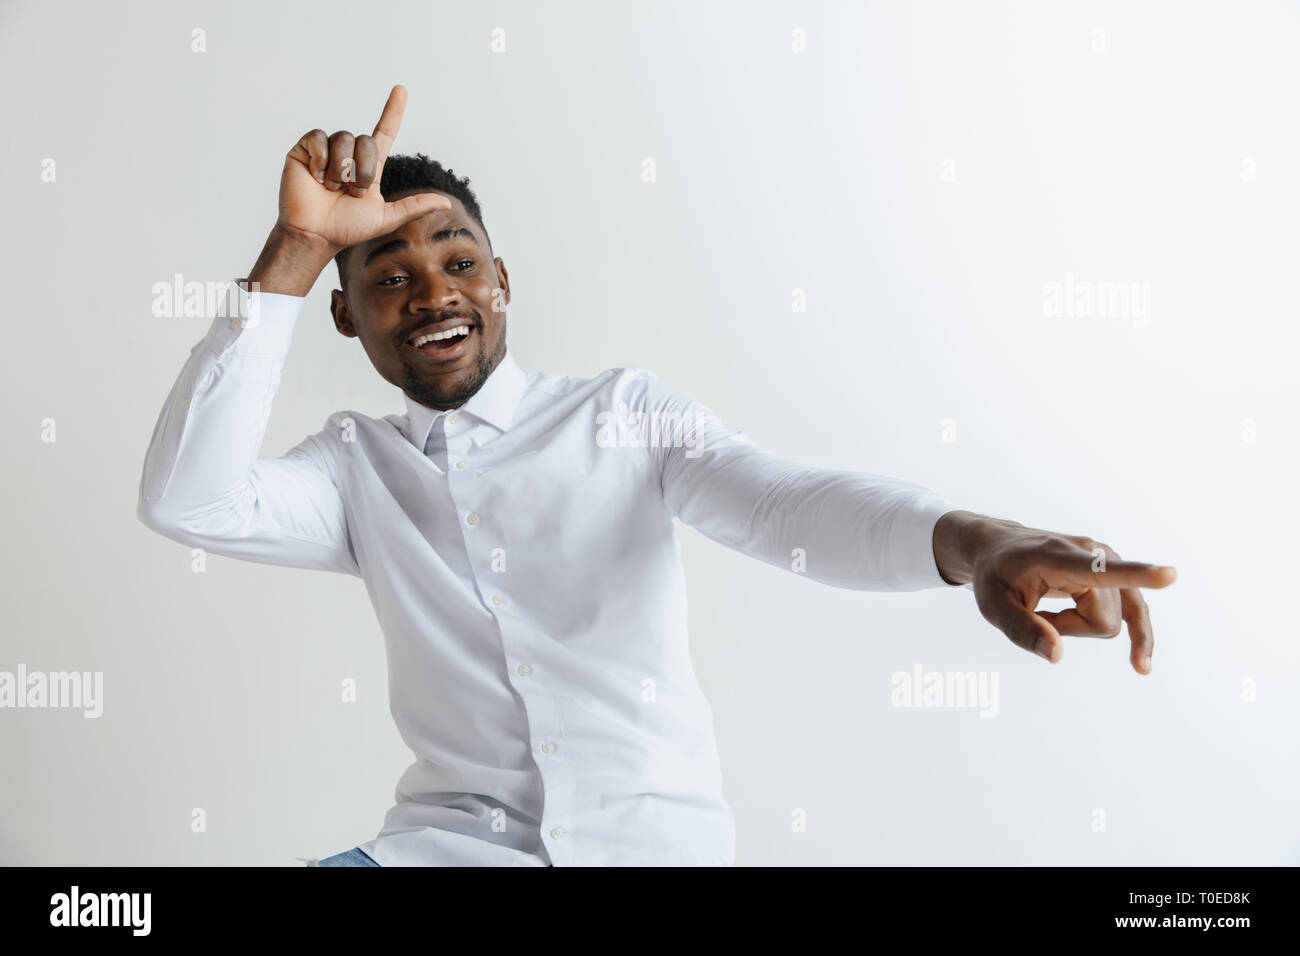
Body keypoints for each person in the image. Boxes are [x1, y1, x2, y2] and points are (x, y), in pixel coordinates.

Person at [137, 86, 1177, 867]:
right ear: (343, 313)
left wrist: (978, 541)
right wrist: (297, 244)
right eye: (389, 277)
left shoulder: (622, 414)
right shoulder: (354, 468)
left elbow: (780, 503)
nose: (433, 293)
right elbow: (190, 498)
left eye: (458, 261)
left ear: (502, 281)